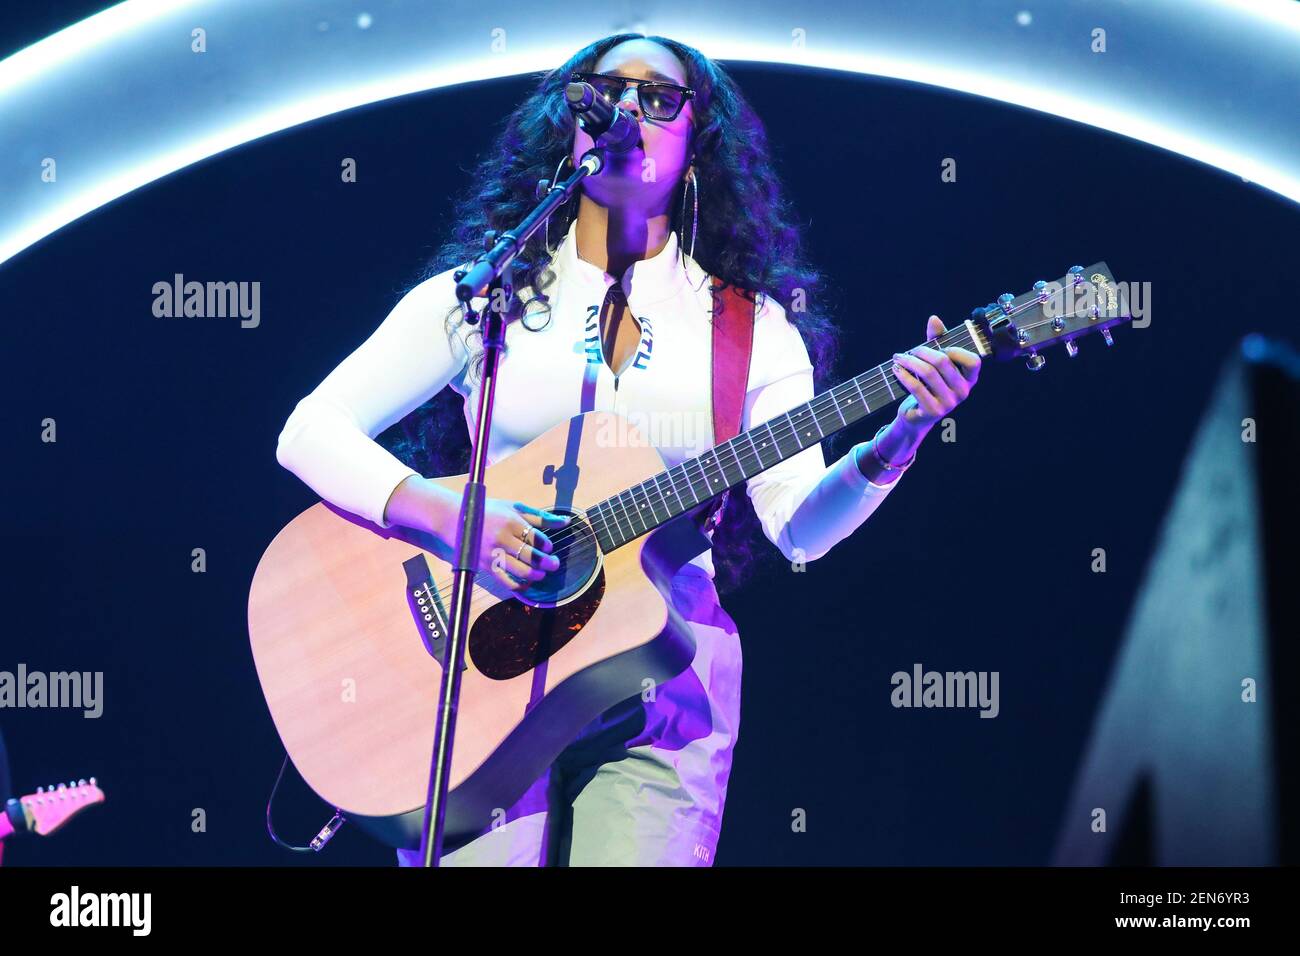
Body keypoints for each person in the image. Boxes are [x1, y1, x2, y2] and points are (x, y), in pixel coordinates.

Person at [275, 33, 980, 866]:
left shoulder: (751, 333)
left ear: (697, 141)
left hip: (661, 682)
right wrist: (455, 516)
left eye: (660, 100)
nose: (630, 113)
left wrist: (898, 438)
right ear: (571, 124)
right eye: (607, 94)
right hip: (478, 677)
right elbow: (309, 431)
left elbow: (798, 529)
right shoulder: (487, 295)